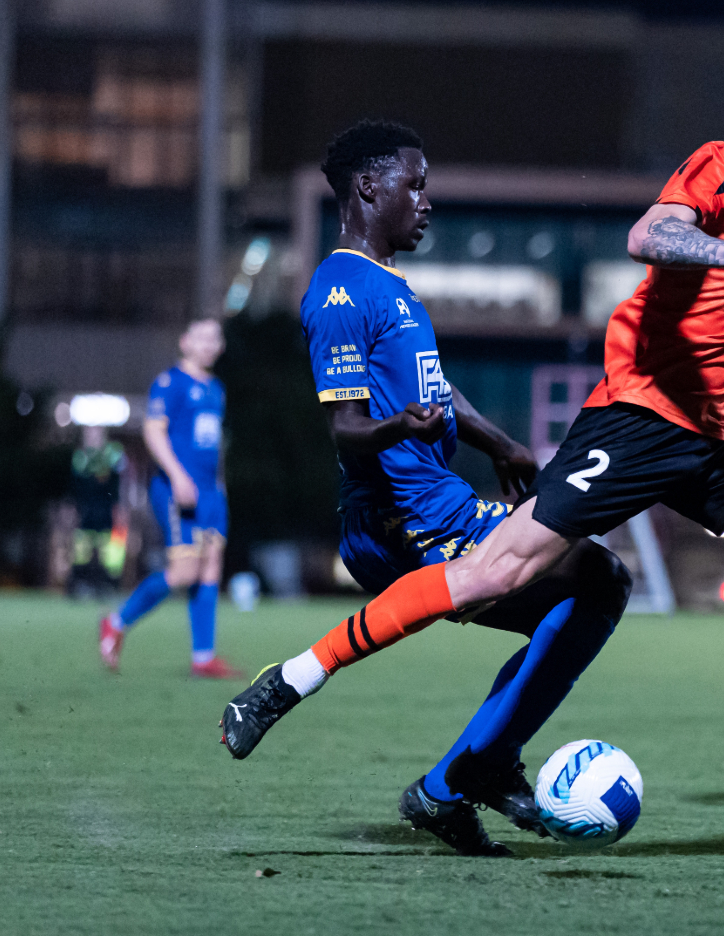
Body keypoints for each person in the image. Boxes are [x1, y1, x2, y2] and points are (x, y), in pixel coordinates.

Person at [222, 64, 724, 816]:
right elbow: (650, 235)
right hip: (640, 421)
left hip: (713, 437)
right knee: (491, 574)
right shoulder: (723, 170)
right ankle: (293, 678)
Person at [221, 120, 632, 857]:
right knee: (594, 574)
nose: (426, 201)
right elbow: (345, 429)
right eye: (415, 184)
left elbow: (435, 391)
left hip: (436, 499)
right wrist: (397, 427)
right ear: (368, 188)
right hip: (401, 518)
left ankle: (457, 782)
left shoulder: (391, 289)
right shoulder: (340, 291)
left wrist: (498, 440)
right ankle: (308, 692)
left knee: (589, 589)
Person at [99, 319, 239, 678]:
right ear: (185, 342)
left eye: (215, 338)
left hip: (210, 493)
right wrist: (178, 476)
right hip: (178, 489)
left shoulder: (217, 389)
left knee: (210, 568)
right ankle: (116, 623)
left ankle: (203, 657)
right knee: (184, 571)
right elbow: (152, 431)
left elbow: (213, 447)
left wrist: (219, 486)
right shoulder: (170, 383)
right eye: (202, 337)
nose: (209, 344)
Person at [70, 425, 127, 599]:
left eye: (96, 434)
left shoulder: (113, 455)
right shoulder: (80, 457)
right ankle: (81, 585)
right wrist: (72, 510)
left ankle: (108, 586)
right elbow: (74, 488)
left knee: (110, 552)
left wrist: (121, 509)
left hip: (106, 511)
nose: (92, 438)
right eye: (89, 434)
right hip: (86, 512)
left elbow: (118, 484)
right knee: (82, 551)